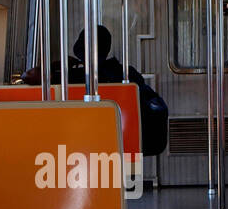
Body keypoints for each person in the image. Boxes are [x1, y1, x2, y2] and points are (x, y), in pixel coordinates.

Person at [24, 25, 168, 156]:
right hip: (125, 146)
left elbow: (28, 76)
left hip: (82, 150)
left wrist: (58, 64)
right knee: (124, 182)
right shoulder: (126, 73)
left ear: (79, 50)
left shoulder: (72, 76)